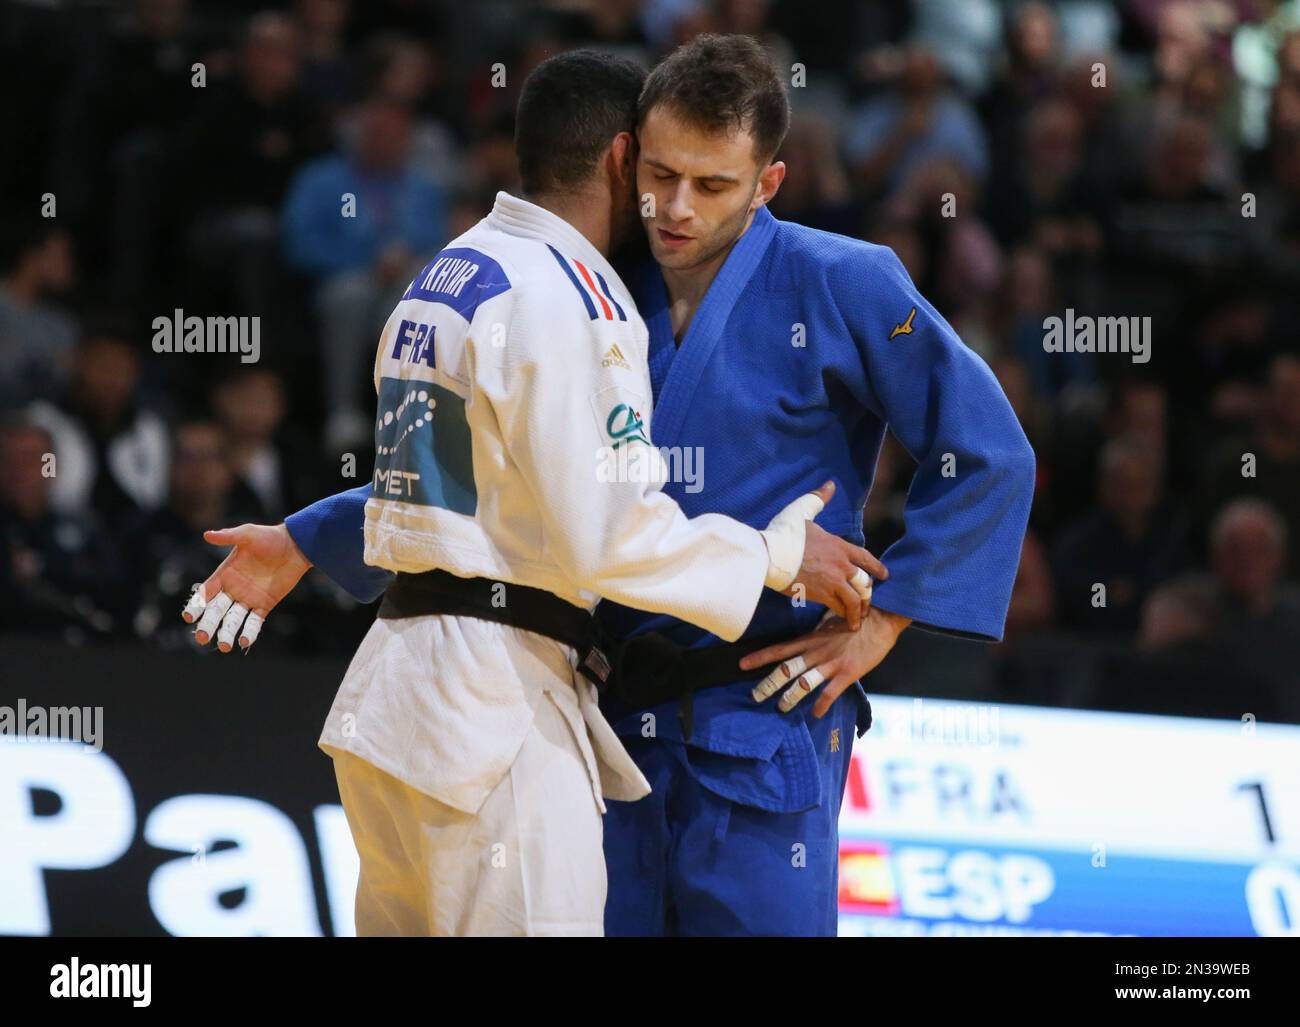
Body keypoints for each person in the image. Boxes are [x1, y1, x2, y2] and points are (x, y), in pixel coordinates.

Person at [193, 35, 1034, 936]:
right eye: (661, 174)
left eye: (712, 186)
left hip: (763, 715)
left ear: (769, 183)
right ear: (628, 154)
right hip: (604, 714)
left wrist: (885, 619)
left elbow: (989, 451)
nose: (675, 208)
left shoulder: (843, 281)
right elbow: (503, 482)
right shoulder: (589, 280)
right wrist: (309, 534)